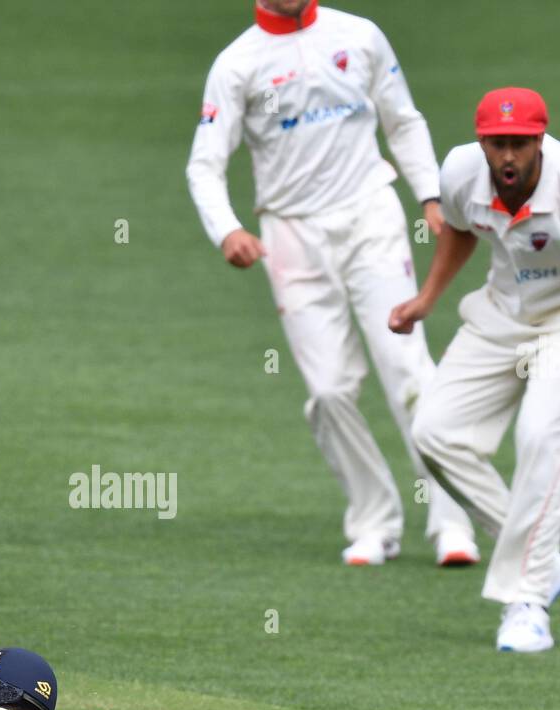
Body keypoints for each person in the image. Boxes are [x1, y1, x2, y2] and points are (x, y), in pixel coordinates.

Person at [186, 0, 478, 567]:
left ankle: (453, 521)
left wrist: (430, 194)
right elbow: (205, 163)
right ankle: (373, 522)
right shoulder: (236, 65)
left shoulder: (360, 36)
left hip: (371, 215)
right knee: (328, 389)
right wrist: (227, 231)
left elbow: (403, 119)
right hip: (291, 234)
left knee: (407, 369)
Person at [389, 88, 560, 651]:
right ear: (481, 141)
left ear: (540, 140)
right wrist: (427, 299)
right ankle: (544, 560)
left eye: (519, 144)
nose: (507, 157)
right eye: (497, 144)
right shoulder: (462, 170)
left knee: (538, 436)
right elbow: (459, 228)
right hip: (501, 314)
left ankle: (527, 601)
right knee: (434, 433)